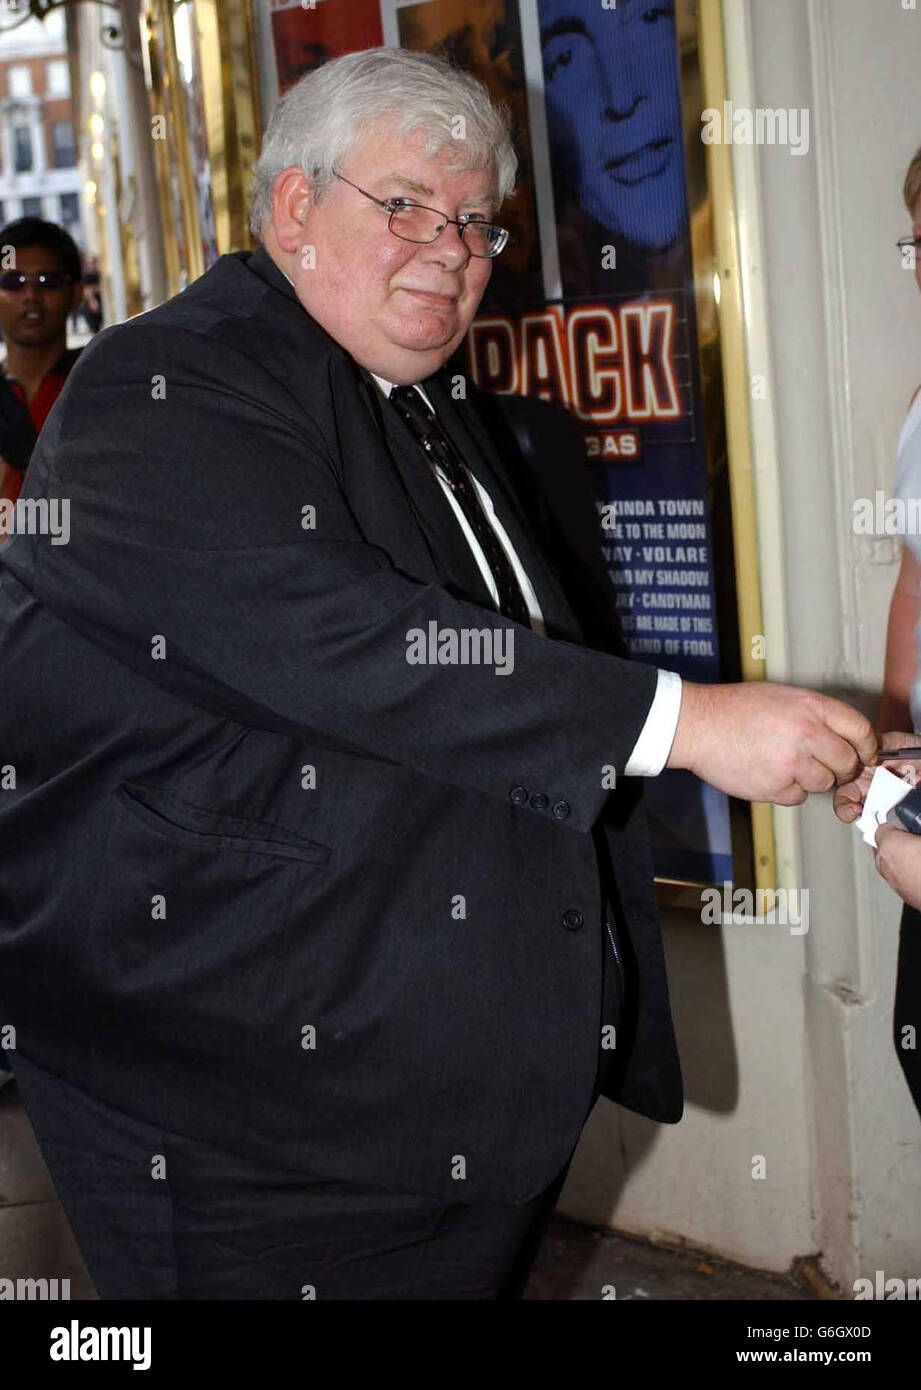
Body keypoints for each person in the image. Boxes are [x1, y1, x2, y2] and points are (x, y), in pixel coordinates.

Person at [0, 47, 876, 1300]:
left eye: (476, 222)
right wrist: (684, 722)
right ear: (292, 204)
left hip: (424, 1090)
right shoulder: (165, 386)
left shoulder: (415, 390)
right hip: (244, 1112)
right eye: (405, 206)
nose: (453, 249)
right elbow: (345, 643)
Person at [0, 218, 84, 516]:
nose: (31, 297)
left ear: (76, 294)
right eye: (13, 282)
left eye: (47, 282)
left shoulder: (102, 385)